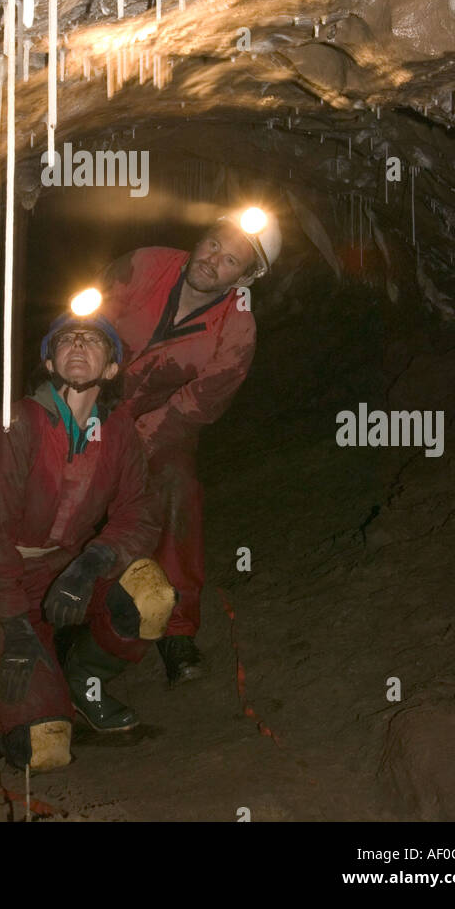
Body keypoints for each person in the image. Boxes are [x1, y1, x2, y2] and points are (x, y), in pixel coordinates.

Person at [0, 298, 176, 774]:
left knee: (149, 595)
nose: (78, 344)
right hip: (2, 584)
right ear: (48, 362)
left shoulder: (120, 432)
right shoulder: (14, 428)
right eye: (66, 338)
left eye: (93, 340)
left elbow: (139, 513)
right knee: (42, 748)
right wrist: (13, 622)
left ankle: (84, 684)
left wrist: (92, 563)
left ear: (111, 368)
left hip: (70, 571)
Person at [98, 207, 282, 684]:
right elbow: (87, 323)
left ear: (243, 278)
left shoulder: (237, 327)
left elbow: (201, 401)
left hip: (164, 424)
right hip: (95, 398)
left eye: (230, 261)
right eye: (215, 245)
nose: (214, 260)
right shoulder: (145, 264)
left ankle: (176, 627)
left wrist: (137, 442)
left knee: (177, 489)